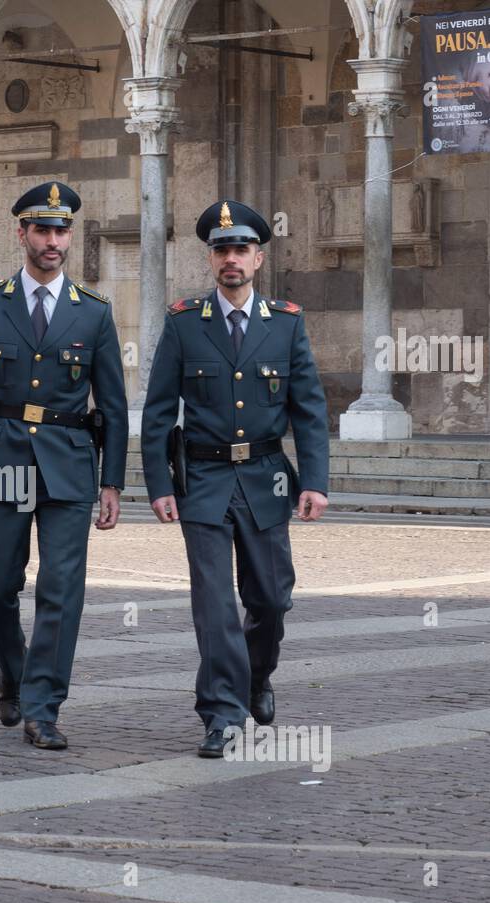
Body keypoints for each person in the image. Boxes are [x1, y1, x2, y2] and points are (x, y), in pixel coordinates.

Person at [140, 199, 330, 758]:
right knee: (215, 602)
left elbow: (310, 411)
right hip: (202, 477)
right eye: (222, 249)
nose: (231, 259)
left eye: (241, 249)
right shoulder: (183, 324)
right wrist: (159, 485)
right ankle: (222, 713)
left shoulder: (288, 325)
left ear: (258, 259)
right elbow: (156, 412)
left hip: (268, 477)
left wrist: (314, 481)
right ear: (211, 259)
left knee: (271, 600)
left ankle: (255, 676)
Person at [0, 181, 128, 750]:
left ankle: (43, 706)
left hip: (70, 464)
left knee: (61, 587)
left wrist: (113, 482)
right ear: (20, 233)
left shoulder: (93, 313)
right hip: (0, 456)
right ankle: (15, 669)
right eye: (42, 230)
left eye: (61, 231)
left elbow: (115, 405)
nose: (53, 241)